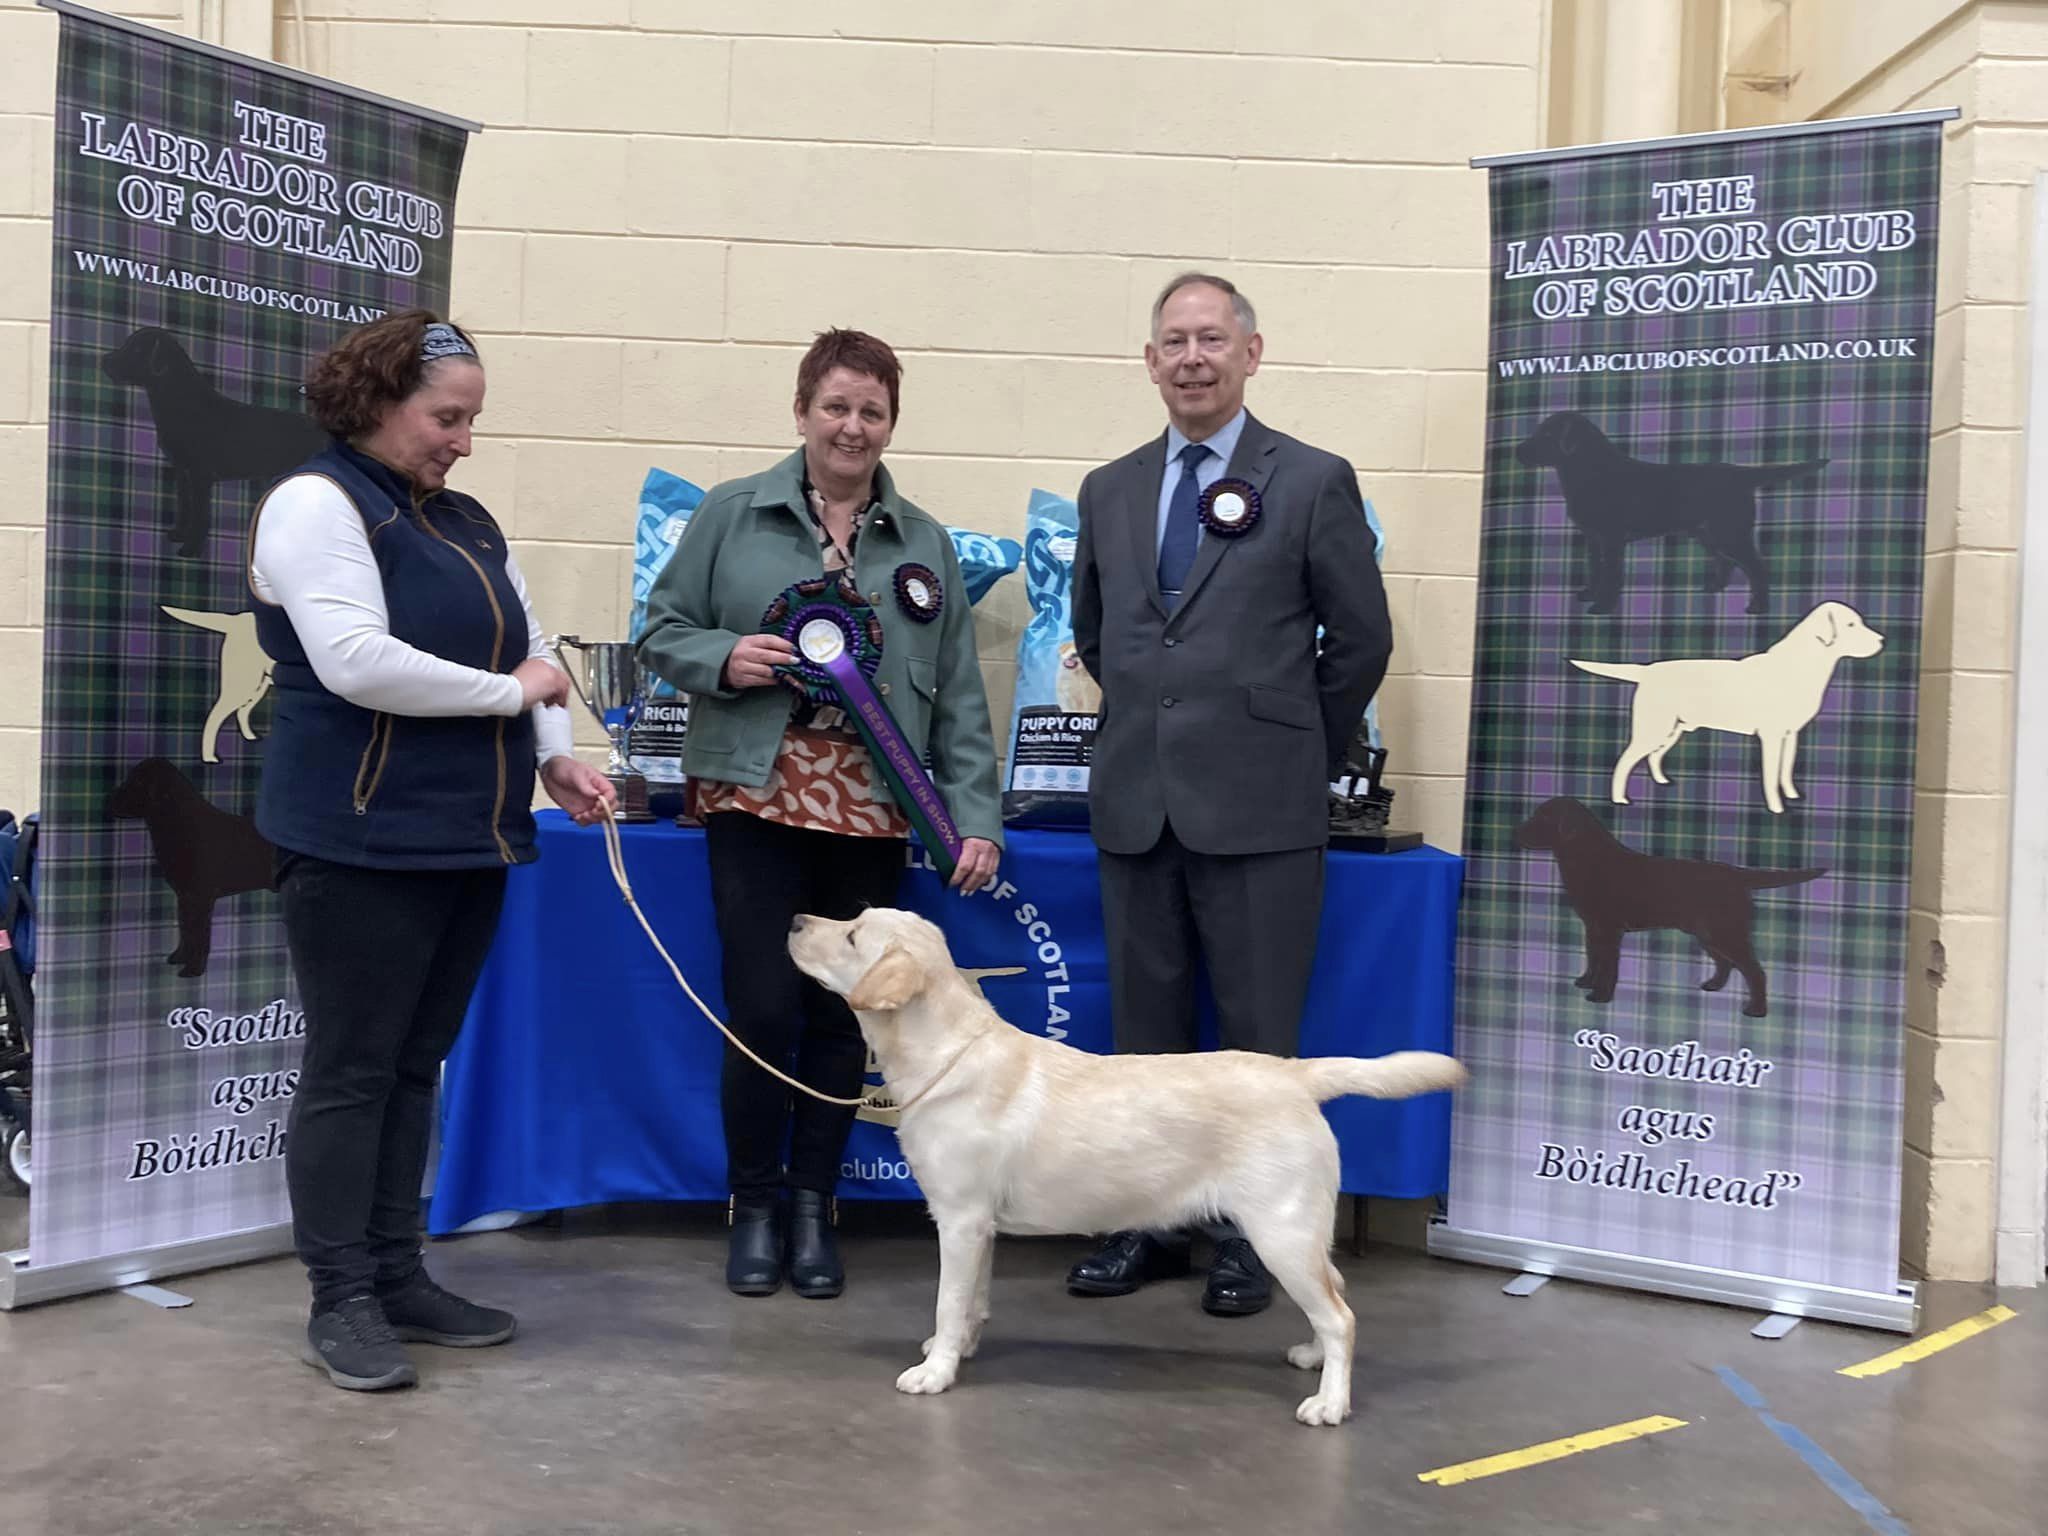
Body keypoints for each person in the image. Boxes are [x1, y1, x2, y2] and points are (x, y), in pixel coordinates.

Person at [251, 310, 616, 1392]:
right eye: (446, 418)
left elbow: (535, 651)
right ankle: (341, 1297)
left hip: (465, 837)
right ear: (375, 402)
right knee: (352, 1072)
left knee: (415, 1067)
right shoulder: (314, 505)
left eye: (470, 420)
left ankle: (398, 1273)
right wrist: (511, 698)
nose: (462, 440)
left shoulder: (462, 519)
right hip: (357, 841)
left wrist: (552, 755)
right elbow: (358, 662)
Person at [638, 328, 1003, 1300]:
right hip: (753, 794)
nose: (851, 426)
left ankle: (813, 1207)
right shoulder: (730, 515)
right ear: (801, 412)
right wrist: (724, 655)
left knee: (849, 1022)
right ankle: (752, 1208)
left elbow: (960, 695)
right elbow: (658, 627)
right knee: (760, 1009)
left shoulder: (923, 543)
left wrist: (974, 815)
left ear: (890, 424)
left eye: (871, 411)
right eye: (835, 406)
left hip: (875, 811)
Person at [1068, 273, 1393, 1315]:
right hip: (1135, 804)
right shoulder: (1107, 489)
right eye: (1173, 341)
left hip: (1262, 813)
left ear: (1251, 353)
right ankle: (1145, 1226)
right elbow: (1097, 633)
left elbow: (1361, 639)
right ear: (1149, 362)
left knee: (1256, 1048)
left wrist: (1294, 748)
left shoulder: (1309, 479)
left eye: (1212, 338)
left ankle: (1254, 1240)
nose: (1192, 357)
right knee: (1143, 1046)